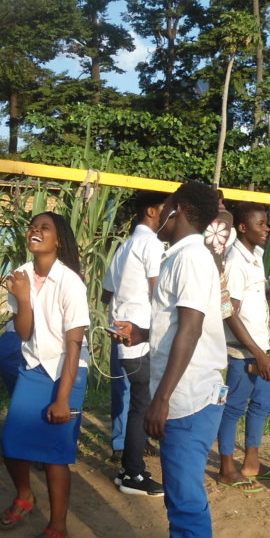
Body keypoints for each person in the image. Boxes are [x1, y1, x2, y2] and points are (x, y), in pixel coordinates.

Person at [113, 181, 227, 538]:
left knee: (186, 507)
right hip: (181, 397)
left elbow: (194, 327)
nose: (157, 215)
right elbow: (176, 323)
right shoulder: (178, 255)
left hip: (188, 400)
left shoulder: (193, 258)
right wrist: (140, 328)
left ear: (177, 210)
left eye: (163, 208)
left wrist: (160, 399)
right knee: (179, 499)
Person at [0, 212, 90, 538]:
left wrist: (63, 398)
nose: (35, 230)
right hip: (34, 366)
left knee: (55, 455)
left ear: (58, 241)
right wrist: (22, 298)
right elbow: (23, 332)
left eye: (44, 228)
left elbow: (74, 344)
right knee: (10, 442)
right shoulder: (21, 275)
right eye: (32, 226)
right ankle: (24, 495)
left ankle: (58, 528)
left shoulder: (70, 283)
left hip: (67, 370)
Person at [215, 201, 270, 492]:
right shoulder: (235, 262)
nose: (267, 229)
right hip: (243, 351)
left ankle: (251, 463)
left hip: (259, 347)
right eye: (260, 224)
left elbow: (250, 301)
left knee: (262, 404)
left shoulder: (255, 255)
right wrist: (258, 354)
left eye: (267, 224)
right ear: (243, 228)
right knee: (234, 408)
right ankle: (226, 468)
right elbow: (228, 311)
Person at [101, 190, 168, 496]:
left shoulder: (125, 247)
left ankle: (129, 469)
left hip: (123, 334)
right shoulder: (151, 245)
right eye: (168, 209)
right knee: (141, 407)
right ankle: (133, 475)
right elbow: (158, 294)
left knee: (137, 406)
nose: (172, 215)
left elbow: (106, 293)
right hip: (141, 335)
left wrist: (118, 315)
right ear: (152, 212)